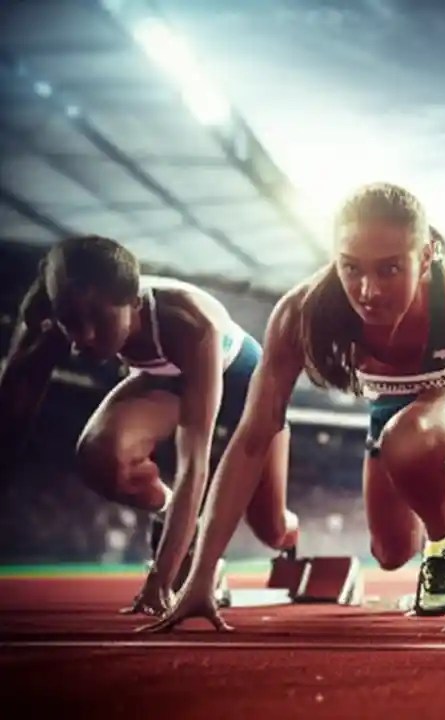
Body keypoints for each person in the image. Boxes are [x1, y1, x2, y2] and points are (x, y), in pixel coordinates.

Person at [142, 182, 445, 632]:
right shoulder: (300, 312)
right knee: (390, 553)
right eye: (351, 268)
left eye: (390, 269)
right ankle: (427, 489)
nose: (369, 291)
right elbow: (251, 440)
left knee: (410, 440)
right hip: (386, 415)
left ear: (425, 257)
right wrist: (201, 576)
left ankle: (442, 549)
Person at [0, 235, 297, 615]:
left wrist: (161, 580)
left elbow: (194, 466)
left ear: (135, 303)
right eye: (70, 322)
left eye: (100, 321)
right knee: (100, 457)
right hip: (167, 378)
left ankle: (291, 537)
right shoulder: (49, 313)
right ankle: (170, 515)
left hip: (247, 386)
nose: (81, 339)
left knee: (270, 528)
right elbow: (9, 418)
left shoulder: (190, 324)